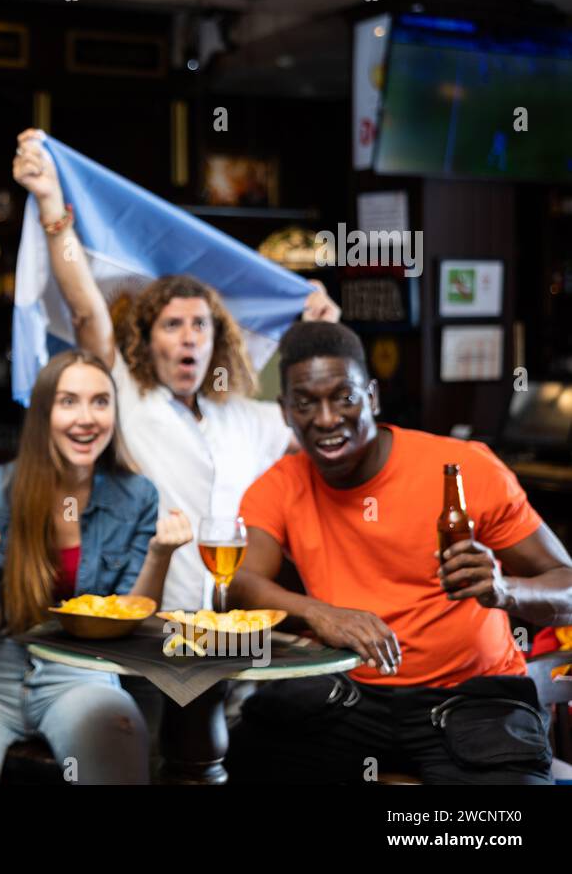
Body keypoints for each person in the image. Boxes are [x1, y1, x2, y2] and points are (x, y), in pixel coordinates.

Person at [225, 321, 572, 784]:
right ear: (286, 412)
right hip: (350, 696)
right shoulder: (279, 485)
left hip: (472, 698)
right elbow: (239, 588)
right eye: (306, 403)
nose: (326, 418)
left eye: (343, 397)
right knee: (241, 764)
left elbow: (566, 585)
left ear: (371, 396)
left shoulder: (465, 468)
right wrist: (320, 613)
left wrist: (506, 591)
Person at [12, 127, 340, 612]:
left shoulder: (247, 416)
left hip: (235, 625)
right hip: (150, 619)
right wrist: (51, 205)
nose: (188, 336)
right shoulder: (123, 394)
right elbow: (85, 311)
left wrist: (321, 336)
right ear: (146, 341)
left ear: (217, 340)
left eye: (200, 325)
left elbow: (327, 430)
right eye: (172, 325)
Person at [0, 350, 193, 785]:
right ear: (43, 412)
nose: (86, 418)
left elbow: (125, 614)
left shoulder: (136, 495)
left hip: (84, 673)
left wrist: (160, 554)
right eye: (69, 401)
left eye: (100, 402)